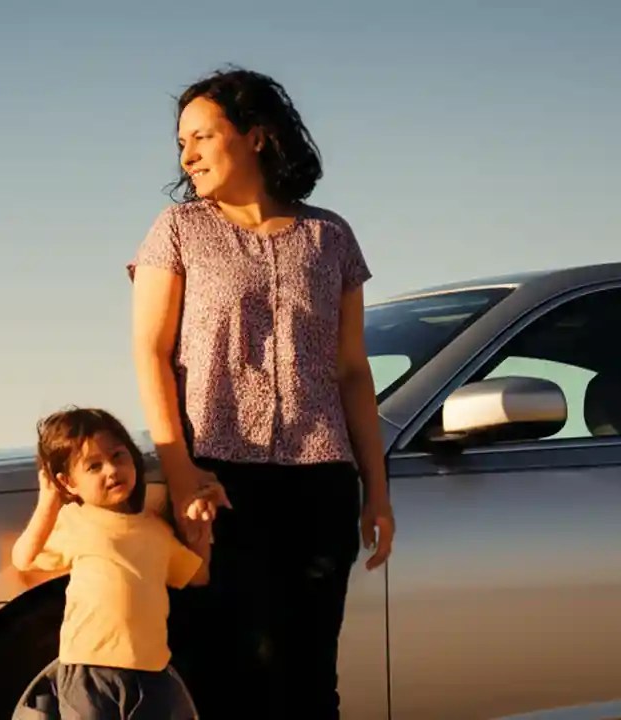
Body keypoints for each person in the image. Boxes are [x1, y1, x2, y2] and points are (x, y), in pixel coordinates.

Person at [127, 66, 396, 719]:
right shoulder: (179, 229)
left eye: (202, 136)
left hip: (320, 484)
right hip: (217, 484)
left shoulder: (330, 238)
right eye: (180, 141)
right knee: (222, 674)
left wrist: (377, 488)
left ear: (256, 136)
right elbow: (151, 352)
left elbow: (353, 371)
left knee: (308, 680)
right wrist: (182, 471)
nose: (187, 154)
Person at [12, 407, 224, 720]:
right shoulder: (75, 520)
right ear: (68, 482)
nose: (111, 470)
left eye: (118, 456)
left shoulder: (156, 530)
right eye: (93, 466)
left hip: (151, 673)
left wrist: (201, 533)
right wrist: (48, 502)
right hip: (89, 672)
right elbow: (24, 559)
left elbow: (197, 576)